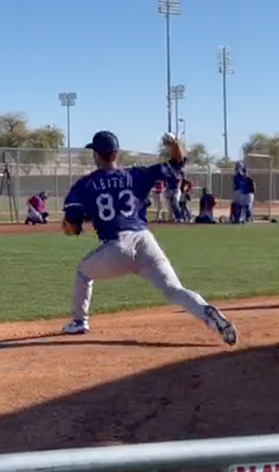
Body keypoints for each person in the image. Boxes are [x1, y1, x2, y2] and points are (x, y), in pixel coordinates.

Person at [59, 130, 237, 345]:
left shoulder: (84, 185)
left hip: (116, 246)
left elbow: (72, 227)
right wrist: (174, 143)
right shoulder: (136, 175)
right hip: (145, 241)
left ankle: (79, 322)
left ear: (96, 155)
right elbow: (177, 164)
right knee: (174, 290)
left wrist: (70, 227)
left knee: (84, 273)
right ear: (116, 154)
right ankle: (208, 314)